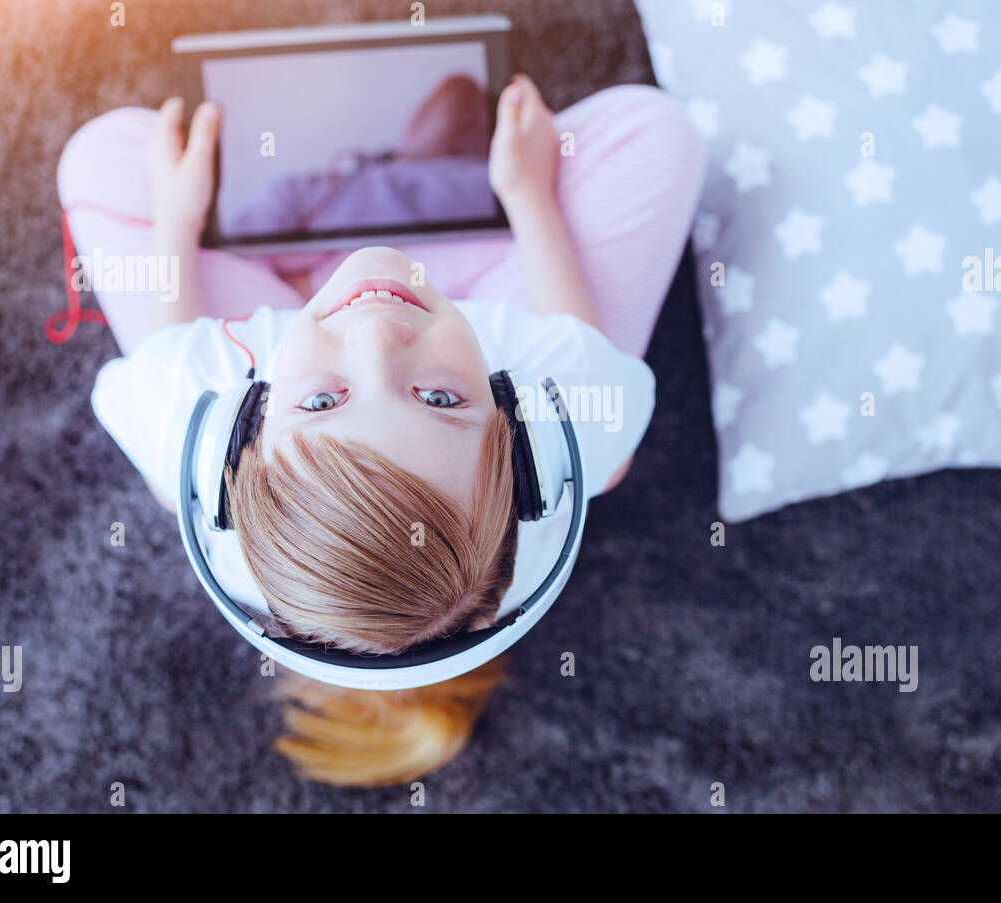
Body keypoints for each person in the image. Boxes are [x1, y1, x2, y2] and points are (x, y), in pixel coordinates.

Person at [57, 74, 704, 786]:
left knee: (102, 156)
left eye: (324, 403)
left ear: (240, 430)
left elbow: (169, 348)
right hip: (468, 302)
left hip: (279, 323)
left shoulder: (186, 415)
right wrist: (529, 197)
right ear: (523, 432)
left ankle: (328, 241)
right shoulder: (568, 407)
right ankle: (395, 201)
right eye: (436, 396)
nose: (375, 334)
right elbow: (586, 378)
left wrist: (177, 219)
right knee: (657, 132)